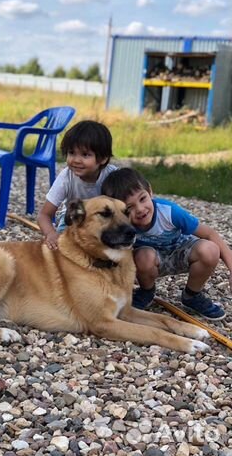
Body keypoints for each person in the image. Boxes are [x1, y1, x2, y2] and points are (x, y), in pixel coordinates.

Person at [101, 167, 232, 320]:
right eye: (129, 208)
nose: (140, 209)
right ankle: (146, 292)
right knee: (144, 256)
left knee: (209, 250)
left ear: (150, 191)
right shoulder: (121, 225)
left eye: (142, 199)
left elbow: (210, 234)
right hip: (149, 261)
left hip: (180, 252)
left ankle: (192, 295)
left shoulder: (169, 212)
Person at [38, 120, 117, 250]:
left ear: (103, 158)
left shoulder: (112, 176)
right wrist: (51, 234)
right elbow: (44, 215)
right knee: (66, 248)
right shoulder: (66, 177)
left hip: (105, 222)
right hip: (73, 219)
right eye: (71, 153)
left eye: (85, 154)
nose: (76, 160)